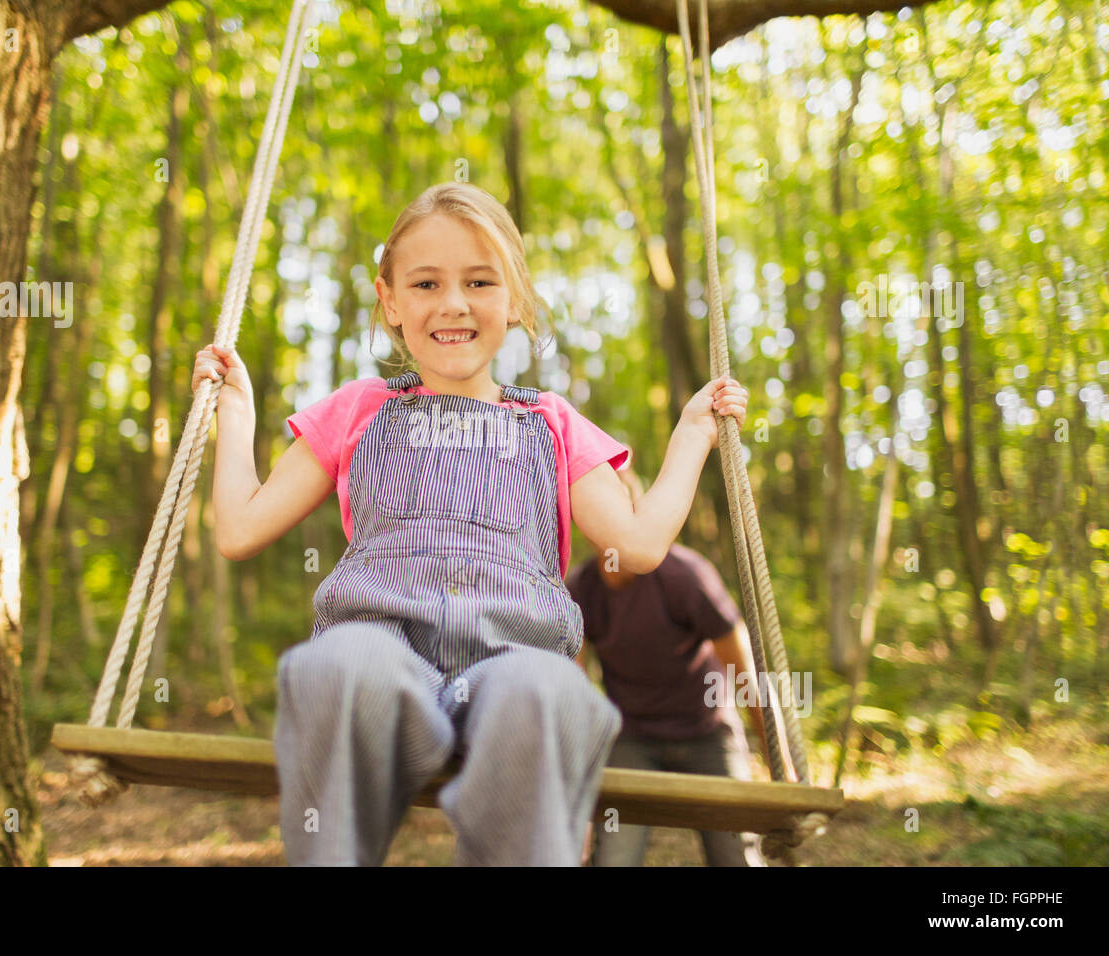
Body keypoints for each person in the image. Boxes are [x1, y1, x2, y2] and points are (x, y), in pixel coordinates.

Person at [190, 181, 749, 866]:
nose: (453, 302)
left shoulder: (550, 423)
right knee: (333, 667)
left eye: (479, 281)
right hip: (379, 647)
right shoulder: (359, 409)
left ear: (512, 297)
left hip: (515, 657)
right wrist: (236, 414)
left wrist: (693, 435)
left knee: (548, 693)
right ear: (390, 300)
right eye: (426, 283)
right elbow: (239, 529)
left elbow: (637, 545)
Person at [567, 464, 773, 867]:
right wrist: (576, 781)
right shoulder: (581, 590)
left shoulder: (684, 575)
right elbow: (574, 692)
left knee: (736, 857)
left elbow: (745, 674)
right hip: (633, 740)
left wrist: (773, 756)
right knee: (613, 858)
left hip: (707, 733)